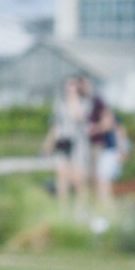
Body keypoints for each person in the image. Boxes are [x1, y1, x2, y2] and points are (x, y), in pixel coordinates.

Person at [44, 76, 85, 209]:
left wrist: (74, 100)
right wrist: (49, 144)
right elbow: (55, 126)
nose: (70, 88)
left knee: (77, 179)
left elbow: (80, 119)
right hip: (62, 141)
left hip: (77, 143)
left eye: (73, 85)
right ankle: (63, 208)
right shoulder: (60, 104)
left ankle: (80, 208)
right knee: (61, 176)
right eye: (69, 85)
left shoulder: (83, 103)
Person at [83, 79, 123, 210]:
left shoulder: (106, 113)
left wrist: (93, 129)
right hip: (109, 151)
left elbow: (113, 129)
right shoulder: (106, 115)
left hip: (109, 151)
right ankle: (105, 208)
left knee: (103, 182)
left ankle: (106, 208)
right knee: (103, 182)